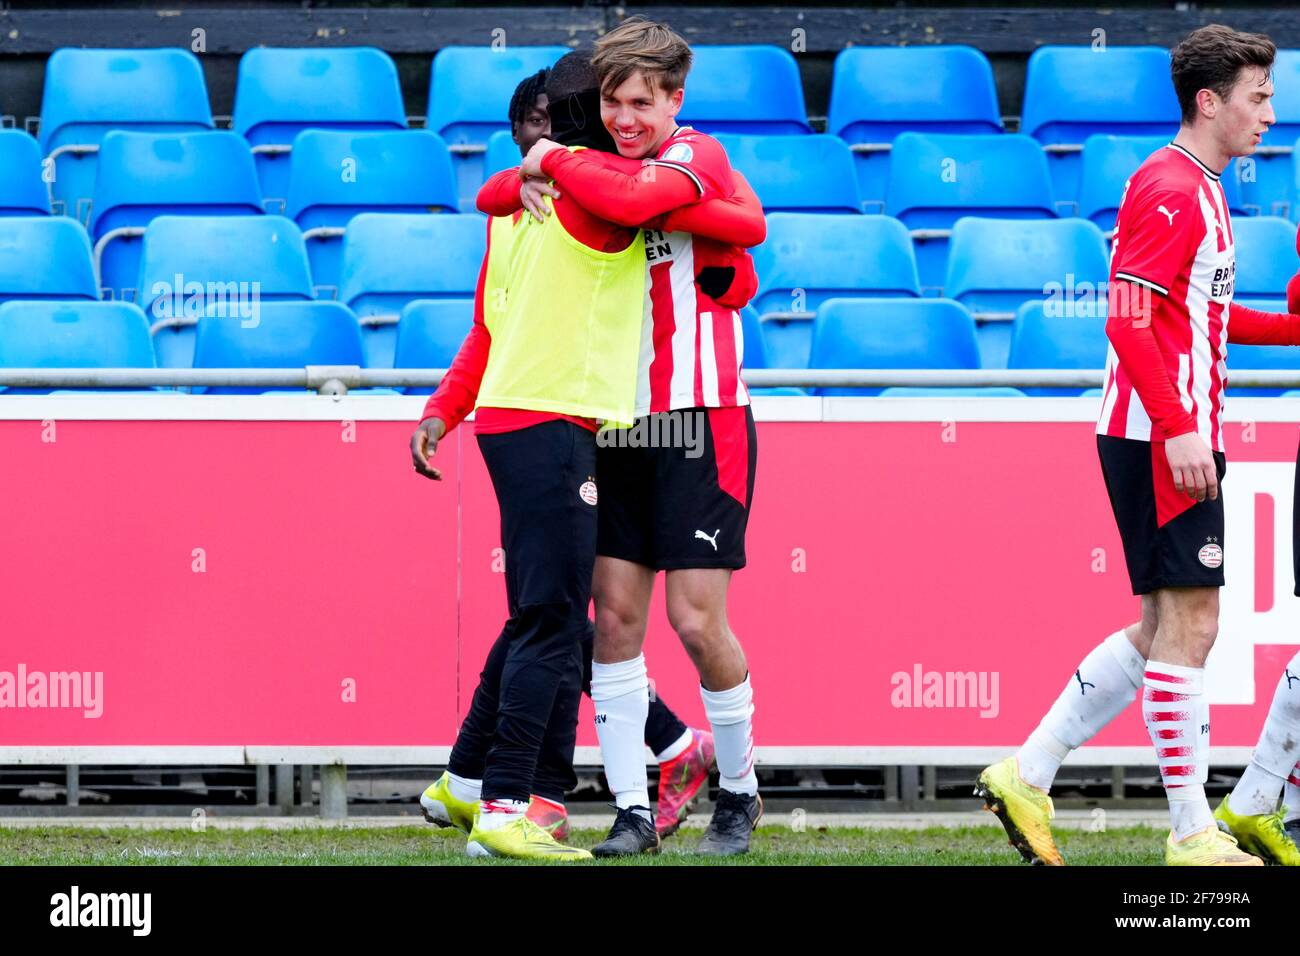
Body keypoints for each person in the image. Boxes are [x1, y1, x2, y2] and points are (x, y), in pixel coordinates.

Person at [976, 24, 1300, 866]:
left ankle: (1028, 770)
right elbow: (1127, 317)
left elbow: (1204, 318)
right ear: (1209, 101)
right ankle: (1192, 834)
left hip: (1161, 429)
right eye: (1258, 96)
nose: (1271, 111)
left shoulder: (1202, 184)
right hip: (1163, 434)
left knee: (1162, 627)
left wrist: (1295, 327)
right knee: (1192, 627)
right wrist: (1180, 427)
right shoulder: (1170, 184)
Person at [414, 68, 725, 845]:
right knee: (553, 619)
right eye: (532, 127)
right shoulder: (588, 197)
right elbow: (743, 225)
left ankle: (467, 783)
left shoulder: (527, 203)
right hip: (555, 419)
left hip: (524, 418)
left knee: (540, 613)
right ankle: (509, 807)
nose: (541, 138)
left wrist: (445, 410)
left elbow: (489, 323)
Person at [480, 17, 766, 856]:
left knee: (697, 619)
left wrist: (547, 160)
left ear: (677, 100)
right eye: (613, 101)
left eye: (643, 101)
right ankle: (635, 810)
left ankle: (741, 792)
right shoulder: (597, 165)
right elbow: (492, 195)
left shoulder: (693, 157)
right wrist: (524, 175)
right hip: (618, 419)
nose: (626, 117)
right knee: (613, 621)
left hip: (703, 418)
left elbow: (673, 210)